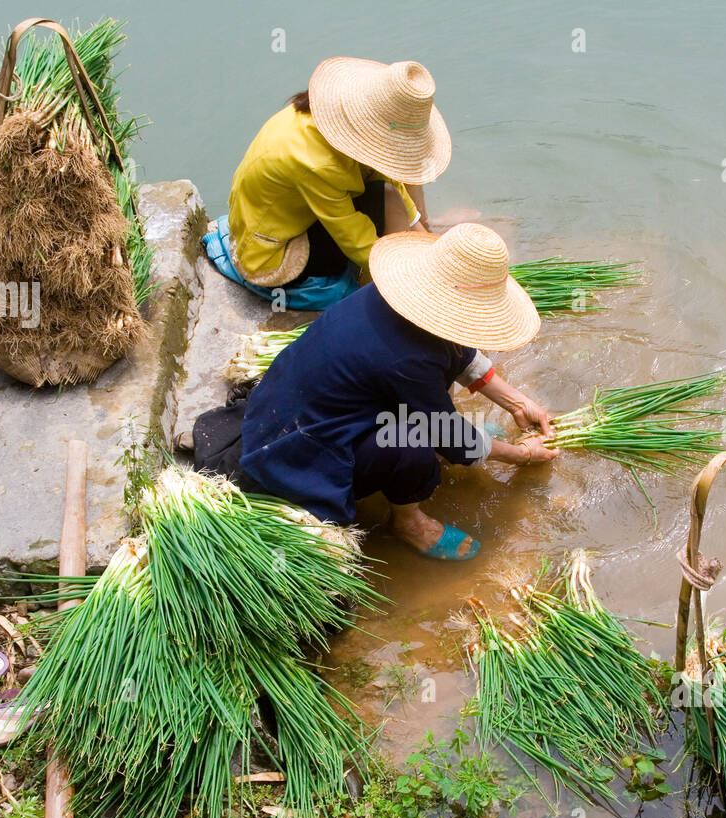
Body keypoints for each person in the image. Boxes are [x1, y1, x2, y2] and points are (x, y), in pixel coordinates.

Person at [233, 223, 558, 560]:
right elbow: (449, 433)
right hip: (299, 450)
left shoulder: (394, 297)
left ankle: (433, 461)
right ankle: (409, 522)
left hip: (285, 409)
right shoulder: (407, 359)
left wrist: (518, 402)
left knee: (432, 425)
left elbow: (455, 351)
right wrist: (522, 454)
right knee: (413, 440)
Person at [205, 57, 450, 310]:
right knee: (389, 207)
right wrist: (407, 274)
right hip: (274, 253)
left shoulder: (329, 117)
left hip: (288, 214)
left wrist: (422, 231)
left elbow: (385, 173)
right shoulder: (315, 163)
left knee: (396, 197)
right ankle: (393, 301)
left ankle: (421, 248)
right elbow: (356, 239)